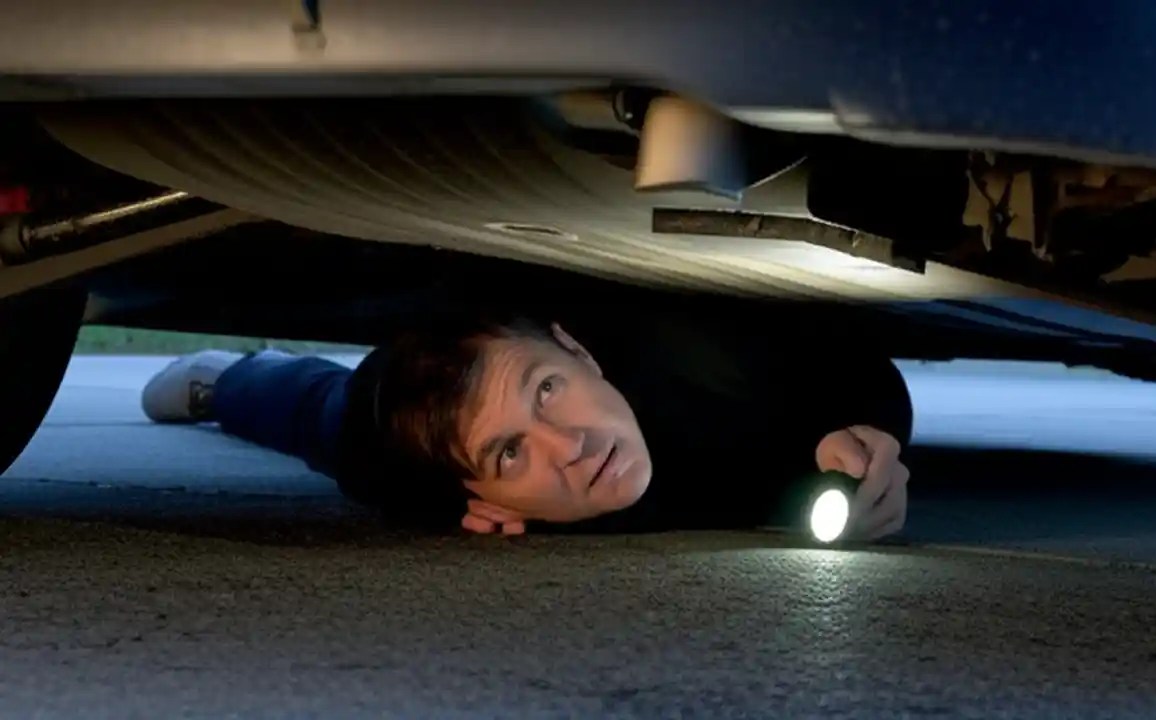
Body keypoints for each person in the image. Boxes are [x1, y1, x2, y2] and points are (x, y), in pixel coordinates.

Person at [140, 295, 913, 539]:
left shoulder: (710, 366)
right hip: (383, 407)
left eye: (549, 391)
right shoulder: (407, 474)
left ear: (580, 352)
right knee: (326, 418)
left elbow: (867, 377)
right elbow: (413, 477)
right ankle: (227, 375)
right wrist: (446, 506)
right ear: (486, 500)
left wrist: (871, 441)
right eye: (512, 455)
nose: (572, 446)